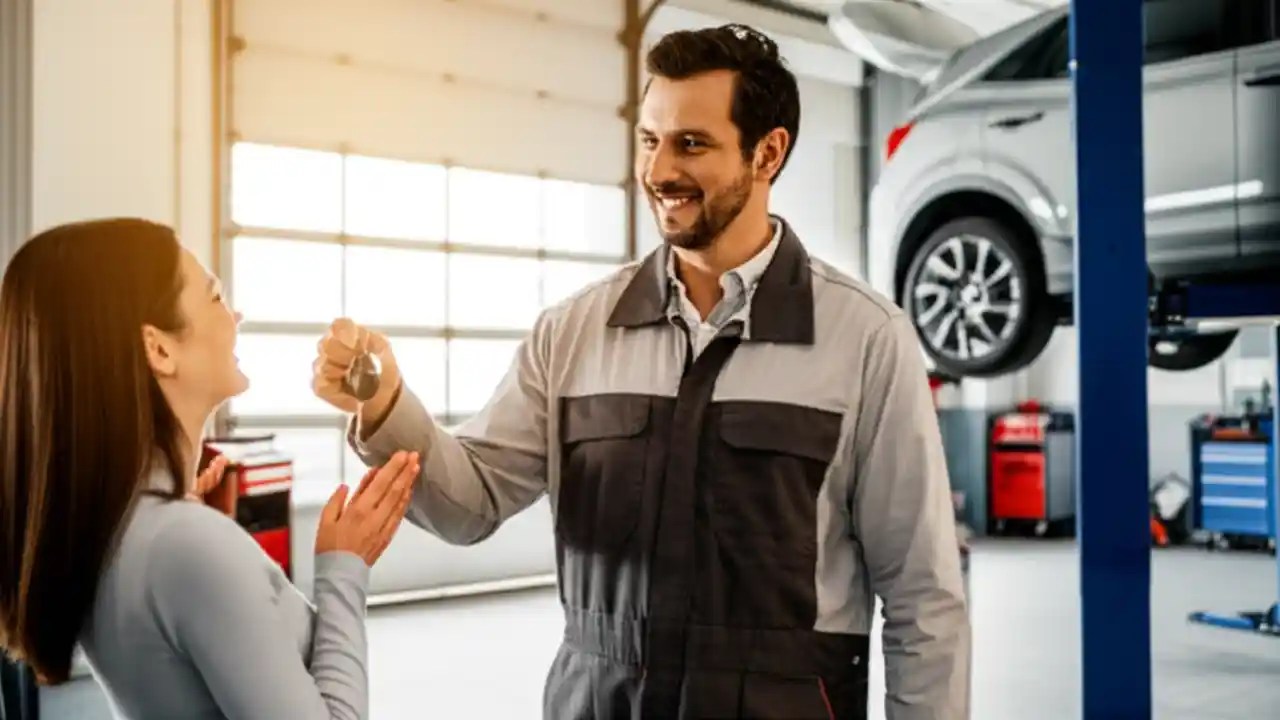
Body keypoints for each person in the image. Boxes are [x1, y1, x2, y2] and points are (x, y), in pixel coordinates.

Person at [314, 24, 969, 720]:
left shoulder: (864, 339)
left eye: (692, 143)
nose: (659, 171)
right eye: (650, 140)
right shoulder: (573, 333)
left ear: (768, 153)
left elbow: (922, 597)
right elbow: (468, 505)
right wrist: (387, 406)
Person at [0, 218, 419, 720]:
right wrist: (344, 569)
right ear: (158, 348)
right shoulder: (186, 545)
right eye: (216, 298)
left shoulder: (112, 528)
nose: (235, 315)